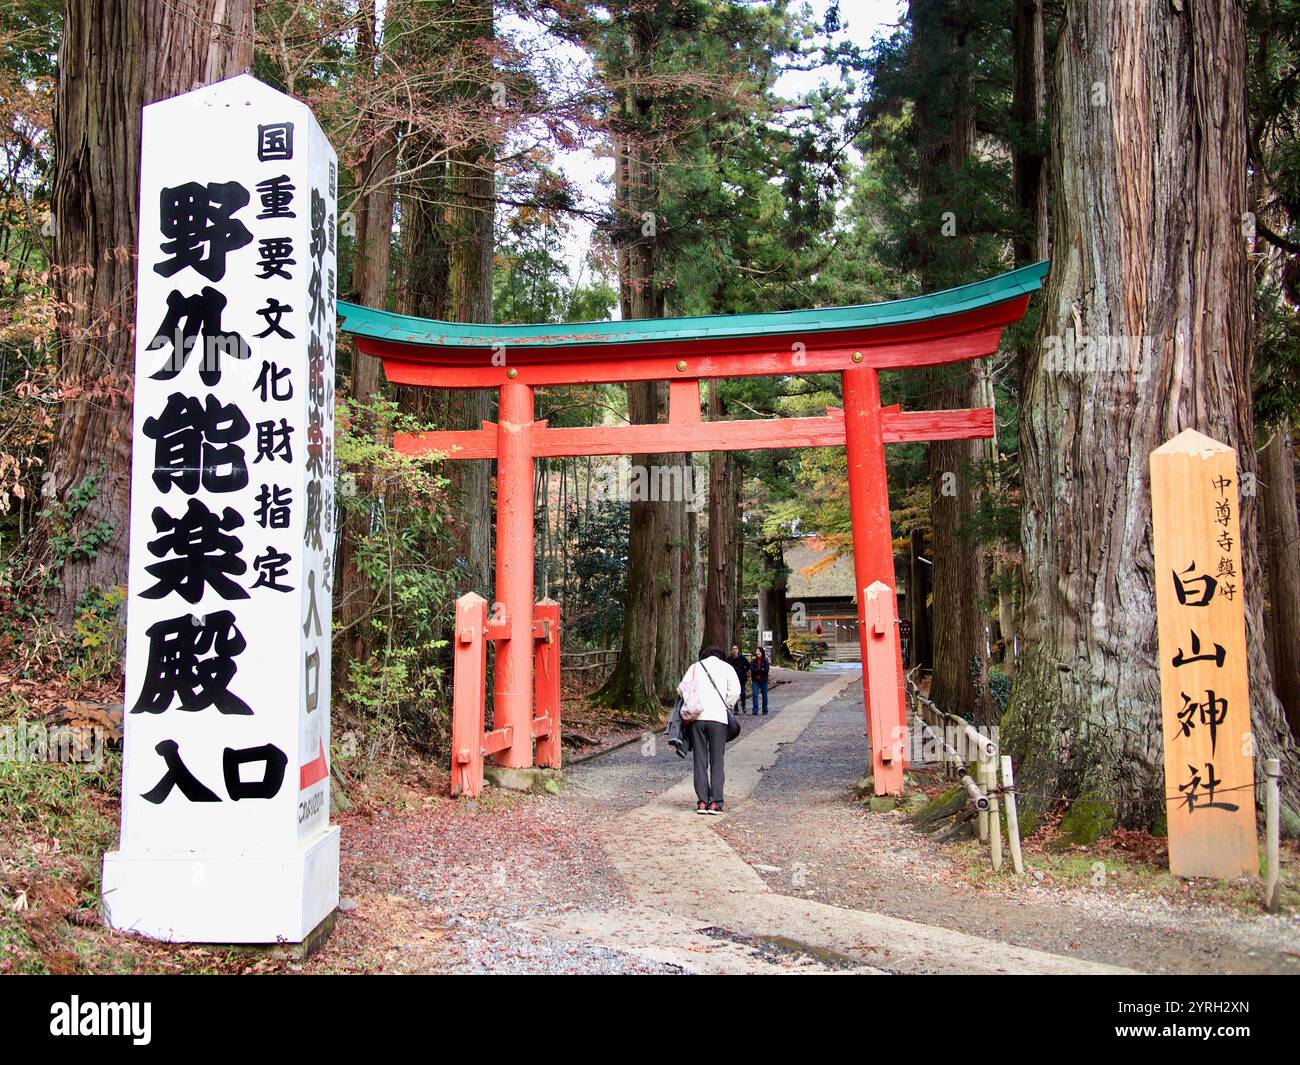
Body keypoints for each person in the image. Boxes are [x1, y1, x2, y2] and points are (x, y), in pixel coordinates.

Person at [677, 645, 740, 815]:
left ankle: (702, 802)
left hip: (697, 718)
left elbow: (681, 689)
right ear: (720, 656)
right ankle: (716, 802)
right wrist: (725, 704)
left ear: (704, 655)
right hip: (718, 718)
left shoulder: (695, 667)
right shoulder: (727, 668)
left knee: (700, 759)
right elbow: (735, 692)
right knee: (717, 759)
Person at [726, 643, 750, 709]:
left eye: (736, 649)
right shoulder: (728, 659)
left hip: (741, 678)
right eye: (733, 649)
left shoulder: (742, 658)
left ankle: (743, 705)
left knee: (742, 693)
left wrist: (744, 670)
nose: (735, 650)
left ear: (738, 650)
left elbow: (748, 665)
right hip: (732, 679)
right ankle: (736, 708)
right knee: (735, 693)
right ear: (731, 650)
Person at [750, 647, 770, 715]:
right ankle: (755, 710)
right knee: (755, 694)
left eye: (759, 651)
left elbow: (766, 670)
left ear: (762, 652)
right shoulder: (753, 661)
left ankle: (765, 710)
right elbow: (752, 669)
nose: (757, 652)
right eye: (756, 651)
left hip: (764, 680)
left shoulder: (765, 661)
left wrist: (758, 670)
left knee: (764, 695)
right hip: (755, 680)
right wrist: (761, 669)